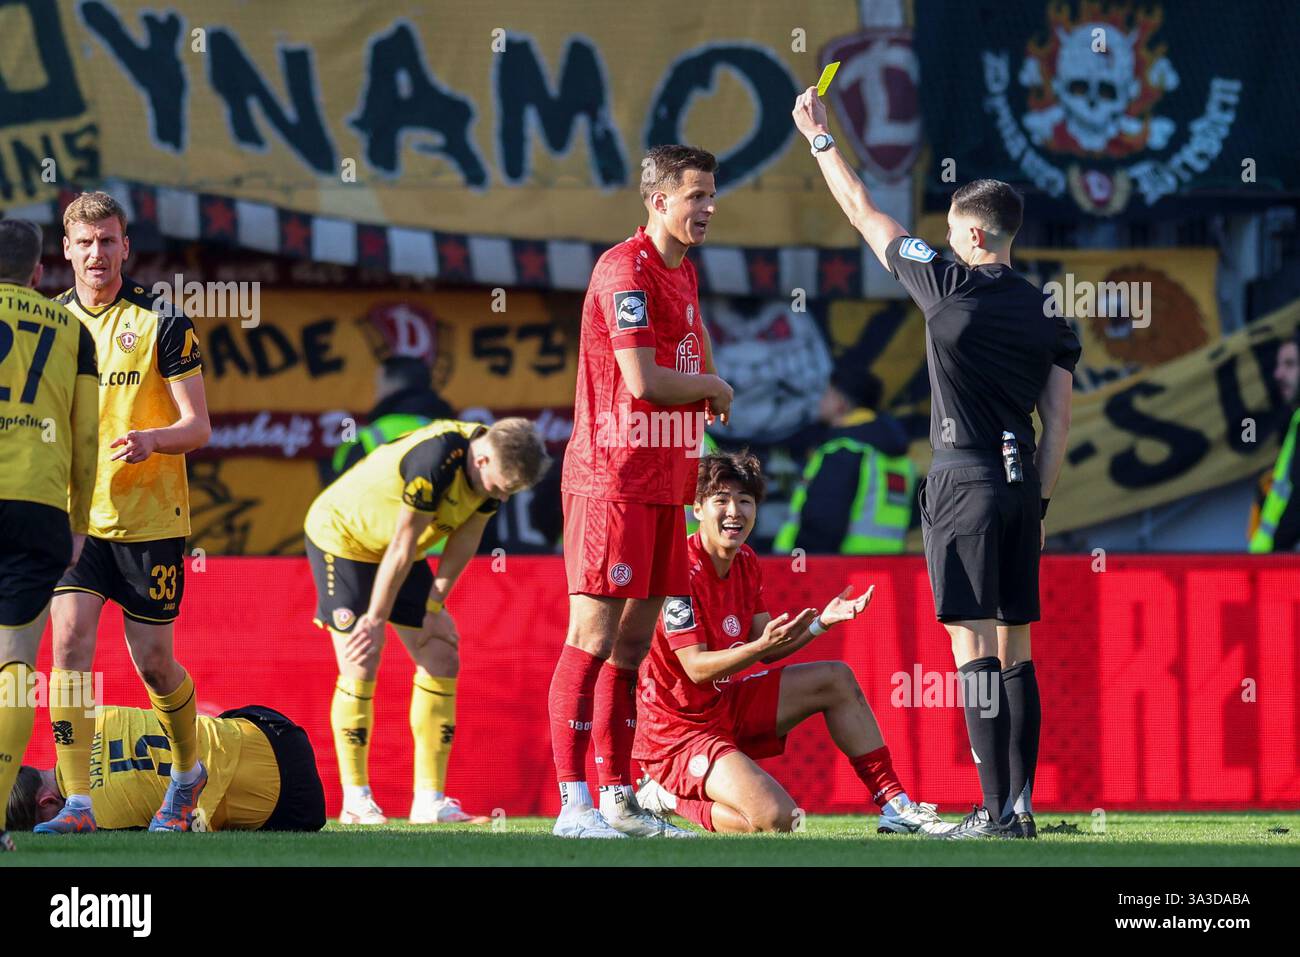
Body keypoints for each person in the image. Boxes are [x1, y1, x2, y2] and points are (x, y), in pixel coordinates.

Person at [794, 88, 1079, 839]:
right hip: (1021, 490)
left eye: (953, 233)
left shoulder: (947, 286)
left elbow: (863, 210)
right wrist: (1042, 506)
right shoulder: (1050, 310)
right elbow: (1058, 424)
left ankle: (990, 811)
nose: (945, 244)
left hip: (963, 480)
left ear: (977, 236)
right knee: (1017, 642)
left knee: (972, 644)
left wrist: (821, 140)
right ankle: (1017, 808)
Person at [550, 144, 735, 838]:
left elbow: (693, 349)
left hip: (667, 481)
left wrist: (708, 381)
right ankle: (573, 802)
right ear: (658, 200)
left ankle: (619, 798)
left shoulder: (684, 274)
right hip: (613, 478)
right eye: (696, 196)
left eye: (712, 195)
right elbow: (644, 380)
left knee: (631, 647)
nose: (709, 208)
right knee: (591, 637)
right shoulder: (623, 269)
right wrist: (713, 387)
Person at [634, 452, 949, 835]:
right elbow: (696, 667)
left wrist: (821, 623)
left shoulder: (746, 561)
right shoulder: (679, 571)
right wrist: (757, 647)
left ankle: (896, 806)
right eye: (721, 500)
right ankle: (668, 794)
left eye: (745, 501)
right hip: (678, 733)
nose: (734, 511)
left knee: (835, 677)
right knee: (779, 820)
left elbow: (767, 647)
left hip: (722, 707)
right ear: (698, 508)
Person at [41, 192, 212, 835]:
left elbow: (198, 428)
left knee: (153, 663)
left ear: (125, 248)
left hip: (150, 520)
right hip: (76, 520)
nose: (96, 254)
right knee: (68, 645)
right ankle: (78, 802)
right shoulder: (48, 325)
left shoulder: (165, 321)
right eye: (85, 243)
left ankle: (187, 773)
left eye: (107, 241)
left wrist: (152, 440)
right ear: (66, 250)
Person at [304, 417, 550, 824]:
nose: (501, 499)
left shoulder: (488, 474)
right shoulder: (438, 458)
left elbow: (465, 539)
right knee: (361, 658)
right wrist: (374, 620)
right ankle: (355, 800)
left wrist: (434, 605)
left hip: (394, 550)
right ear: (483, 459)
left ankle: (429, 802)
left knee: (441, 653)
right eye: (500, 488)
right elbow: (403, 544)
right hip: (342, 537)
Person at [0, 220, 99, 853]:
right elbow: (88, 439)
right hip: (36, 508)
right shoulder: (73, 330)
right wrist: (80, 523)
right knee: (13, 668)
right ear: (40, 272)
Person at [7, 703, 325, 833]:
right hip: (275, 728)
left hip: (293, 804)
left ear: (46, 802)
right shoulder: (95, 719)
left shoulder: (101, 820)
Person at [774, 353, 916, 554]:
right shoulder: (899, 458)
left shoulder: (844, 450)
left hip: (837, 574)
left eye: (826, 394)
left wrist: (801, 570)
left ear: (840, 402)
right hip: (883, 573)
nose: (821, 401)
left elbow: (823, 521)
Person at [327, 355, 455, 480]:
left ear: (384, 378)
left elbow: (341, 495)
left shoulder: (372, 436)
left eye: (376, 385)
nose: (375, 394)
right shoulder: (455, 433)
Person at [1248, 329, 1300, 552]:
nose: (1278, 374)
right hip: (1272, 567)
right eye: (1279, 365)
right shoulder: (1296, 421)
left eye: (1289, 364)